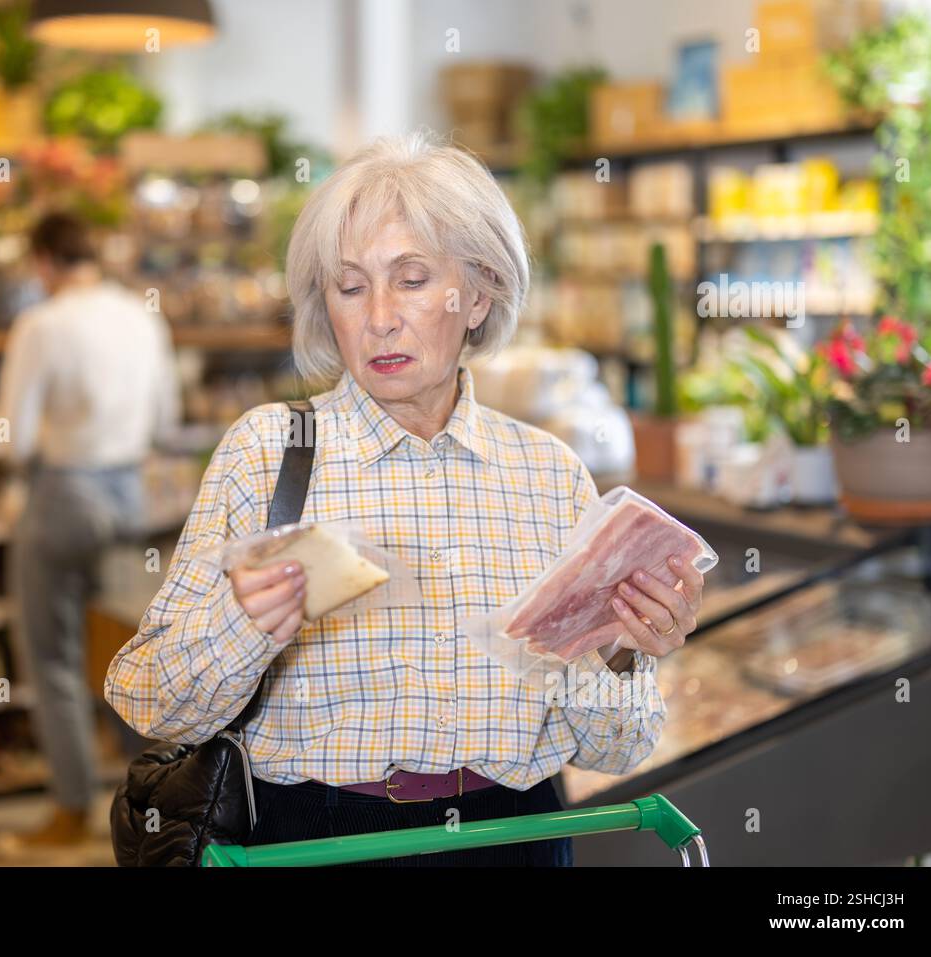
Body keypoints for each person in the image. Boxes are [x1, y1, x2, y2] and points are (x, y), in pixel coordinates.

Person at [105, 132, 703, 866]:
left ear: (479, 293)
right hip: (318, 841)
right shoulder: (270, 453)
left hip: (516, 836)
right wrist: (245, 624)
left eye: (412, 279)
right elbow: (149, 700)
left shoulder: (548, 474)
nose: (379, 316)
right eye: (351, 287)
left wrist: (622, 649)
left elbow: (616, 747)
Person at [0, 211, 179, 853]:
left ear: (43, 262)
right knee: (127, 651)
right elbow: (167, 418)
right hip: (133, 500)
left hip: (64, 495)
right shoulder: (142, 316)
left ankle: (70, 812)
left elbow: (13, 440)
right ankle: (157, 812)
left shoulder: (42, 324)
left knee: (53, 658)